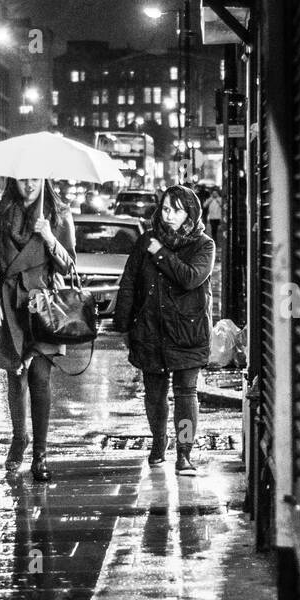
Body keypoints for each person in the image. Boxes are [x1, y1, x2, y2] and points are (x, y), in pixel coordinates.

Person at [0, 177, 77, 482]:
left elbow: (69, 265)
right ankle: (20, 437)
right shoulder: (0, 215)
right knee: (16, 376)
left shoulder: (59, 214)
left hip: (44, 305)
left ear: (43, 179)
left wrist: (49, 237)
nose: (29, 185)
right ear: (13, 181)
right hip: (10, 306)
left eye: (35, 179)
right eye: (23, 180)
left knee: (40, 377)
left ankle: (41, 455)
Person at [113, 184, 216, 476]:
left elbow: (190, 278)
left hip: (187, 333)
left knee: (186, 395)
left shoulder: (203, 245)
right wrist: (123, 325)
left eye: (175, 209)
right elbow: (130, 282)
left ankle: (184, 453)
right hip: (149, 331)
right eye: (165, 208)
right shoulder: (146, 240)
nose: (168, 214)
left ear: (190, 213)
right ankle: (159, 442)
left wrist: (160, 252)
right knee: (154, 395)